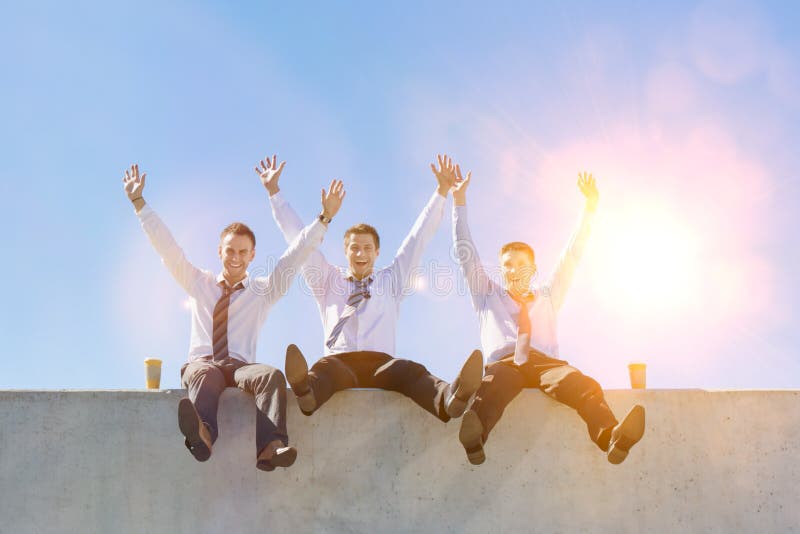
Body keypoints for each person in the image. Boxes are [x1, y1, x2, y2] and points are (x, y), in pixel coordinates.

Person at [123, 163, 345, 471]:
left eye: (242, 252)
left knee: (270, 375)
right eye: (230, 251)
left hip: (240, 367)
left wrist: (324, 219)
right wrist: (139, 205)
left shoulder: (262, 291)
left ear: (252, 255)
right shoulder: (198, 283)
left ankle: (270, 448)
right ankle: (202, 436)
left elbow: (294, 257)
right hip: (203, 363)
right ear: (219, 252)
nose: (236, 258)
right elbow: (168, 249)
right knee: (206, 374)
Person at [254, 154, 483, 425]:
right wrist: (275, 193)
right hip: (340, 362)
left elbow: (417, 238)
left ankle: (449, 398)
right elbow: (298, 241)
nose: (360, 253)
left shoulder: (392, 280)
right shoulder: (326, 279)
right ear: (345, 250)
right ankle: (307, 392)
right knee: (323, 370)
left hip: (382, 365)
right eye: (354, 247)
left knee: (412, 371)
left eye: (366, 248)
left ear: (377, 252)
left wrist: (441, 192)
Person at [451, 165, 645, 465]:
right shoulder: (487, 295)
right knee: (494, 386)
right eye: (507, 264)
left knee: (583, 385)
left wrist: (590, 209)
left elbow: (572, 254)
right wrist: (459, 202)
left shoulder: (548, 295)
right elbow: (465, 251)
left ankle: (611, 437)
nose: (513, 269)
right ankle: (475, 438)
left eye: (519, 263)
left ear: (532, 268)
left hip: (546, 365)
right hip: (506, 362)